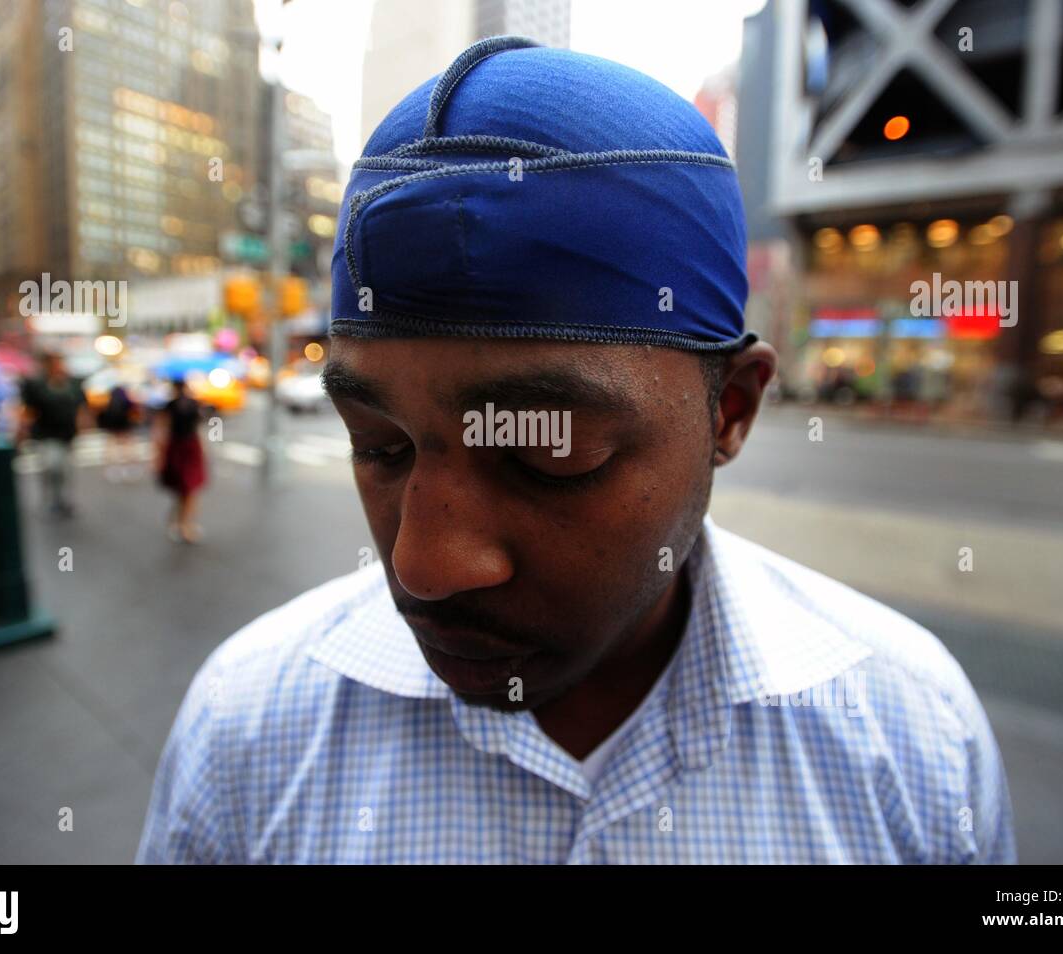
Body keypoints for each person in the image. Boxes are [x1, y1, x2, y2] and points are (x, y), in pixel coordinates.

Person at [138, 38, 1016, 864]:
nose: (423, 564)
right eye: (382, 446)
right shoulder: (244, 732)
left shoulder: (911, 736)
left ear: (730, 412)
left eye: (550, 454)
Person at [19, 351, 88, 518]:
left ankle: (62, 498)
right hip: (46, 433)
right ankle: (52, 499)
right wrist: (22, 428)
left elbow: (81, 406)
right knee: (52, 465)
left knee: (64, 468)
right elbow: (29, 409)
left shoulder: (72, 383)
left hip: (67, 433)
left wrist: (82, 424)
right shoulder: (37, 384)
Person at [153, 376, 207, 543]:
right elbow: (163, 429)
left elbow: (162, 429)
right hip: (181, 448)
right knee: (185, 490)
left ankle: (182, 523)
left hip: (184, 448)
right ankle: (182, 524)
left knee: (187, 490)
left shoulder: (188, 404)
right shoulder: (176, 405)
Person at [97, 383, 139, 481]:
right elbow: (133, 408)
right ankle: (129, 467)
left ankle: (112, 468)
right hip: (124, 423)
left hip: (112, 424)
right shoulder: (124, 397)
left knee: (111, 445)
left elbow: (102, 410)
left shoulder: (109, 397)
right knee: (127, 445)